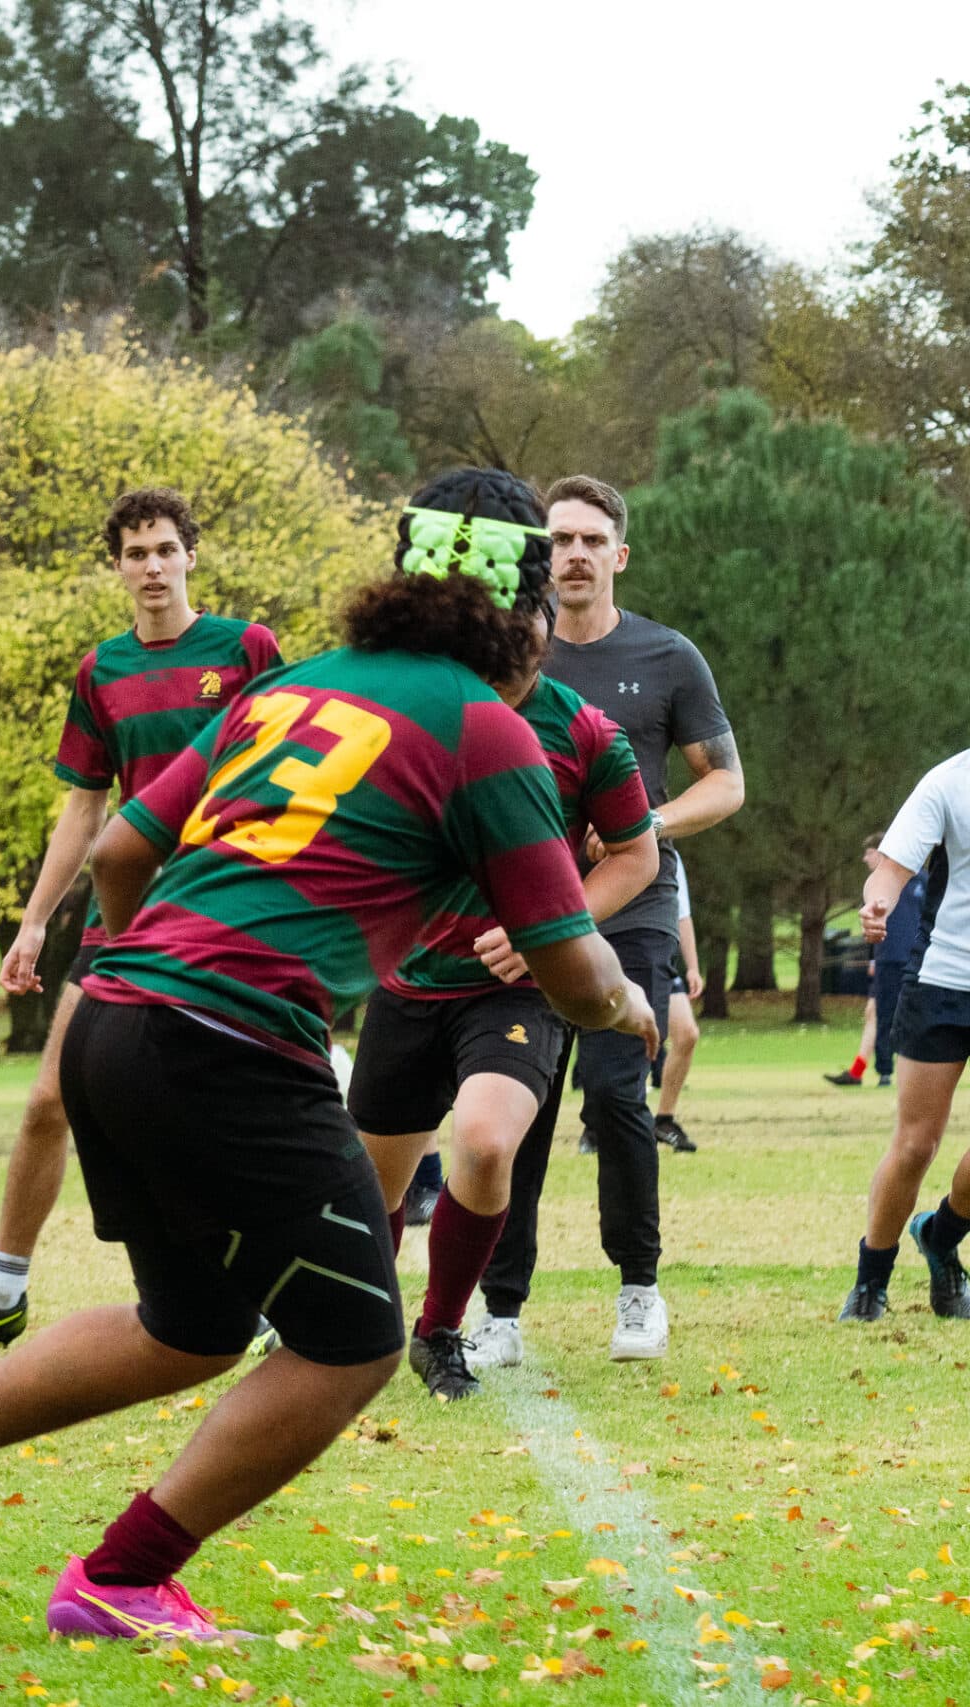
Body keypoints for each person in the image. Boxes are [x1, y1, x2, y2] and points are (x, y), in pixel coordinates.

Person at [0, 468, 658, 1641]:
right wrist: (629, 1012)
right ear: (516, 617)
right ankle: (120, 1576)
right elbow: (568, 967)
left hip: (114, 1017)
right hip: (226, 1039)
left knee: (193, 1326)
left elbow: (117, 851)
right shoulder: (490, 732)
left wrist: (163, 953)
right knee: (353, 1345)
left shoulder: (292, 685)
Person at [0, 487, 280, 1356]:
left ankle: (259, 1287)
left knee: (216, 1107)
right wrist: (36, 923)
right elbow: (83, 809)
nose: (151, 566)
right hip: (122, 916)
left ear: (191, 556)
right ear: (116, 566)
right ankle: (1, 1294)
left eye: (165, 550)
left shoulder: (246, 648)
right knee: (47, 1102)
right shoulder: (100, 671)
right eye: (135, 552)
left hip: (221, 911)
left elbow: (287, 763)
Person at [349, 608, 659, 1402]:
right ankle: (348, 1326)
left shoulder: (587, 732)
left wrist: (550, 929)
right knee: (370, 1192)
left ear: (547, 634)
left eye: (526, 624)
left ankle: (440, 1331)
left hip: (517, 991)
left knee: (486, 1146)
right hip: (410, 983)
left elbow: (636, 854)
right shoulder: (414, 714)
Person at [471, 474, 744, 1368]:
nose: (575, 555)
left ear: (618, 555)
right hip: (523, 909)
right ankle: (501, 1309)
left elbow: (726, 783)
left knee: (617, 1090)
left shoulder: (669, 657)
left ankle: (639, 1291)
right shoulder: (509, 659)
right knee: (523, 1103)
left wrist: (644, 823)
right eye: (560, 540)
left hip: (633, 904)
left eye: (593, 540)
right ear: (538, 556)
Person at [841, 751, 970, 1322]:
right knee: (917, 1144)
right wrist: (879, 902)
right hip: (943, 978)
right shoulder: (948, 782)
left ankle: (940, 1236)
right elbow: (891, 868)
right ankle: (872, 1280)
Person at [831, 836, 926, 1088]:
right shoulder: (874, 889)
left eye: (870, 853)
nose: (865, 859)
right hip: (886, 961)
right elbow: (871, 926)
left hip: (913, 960)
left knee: (880, 1014)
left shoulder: (921, 882)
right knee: (877, 1014)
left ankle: (859, 1072)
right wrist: (874, 958)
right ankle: (869, 1070)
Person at [650, 859, 705, 1151]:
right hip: (617, 951)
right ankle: (597, 1126)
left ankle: (664, 1119)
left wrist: (693, 967)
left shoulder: (668, 851)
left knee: (686, 1033)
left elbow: (681, 912)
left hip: (659, 960)